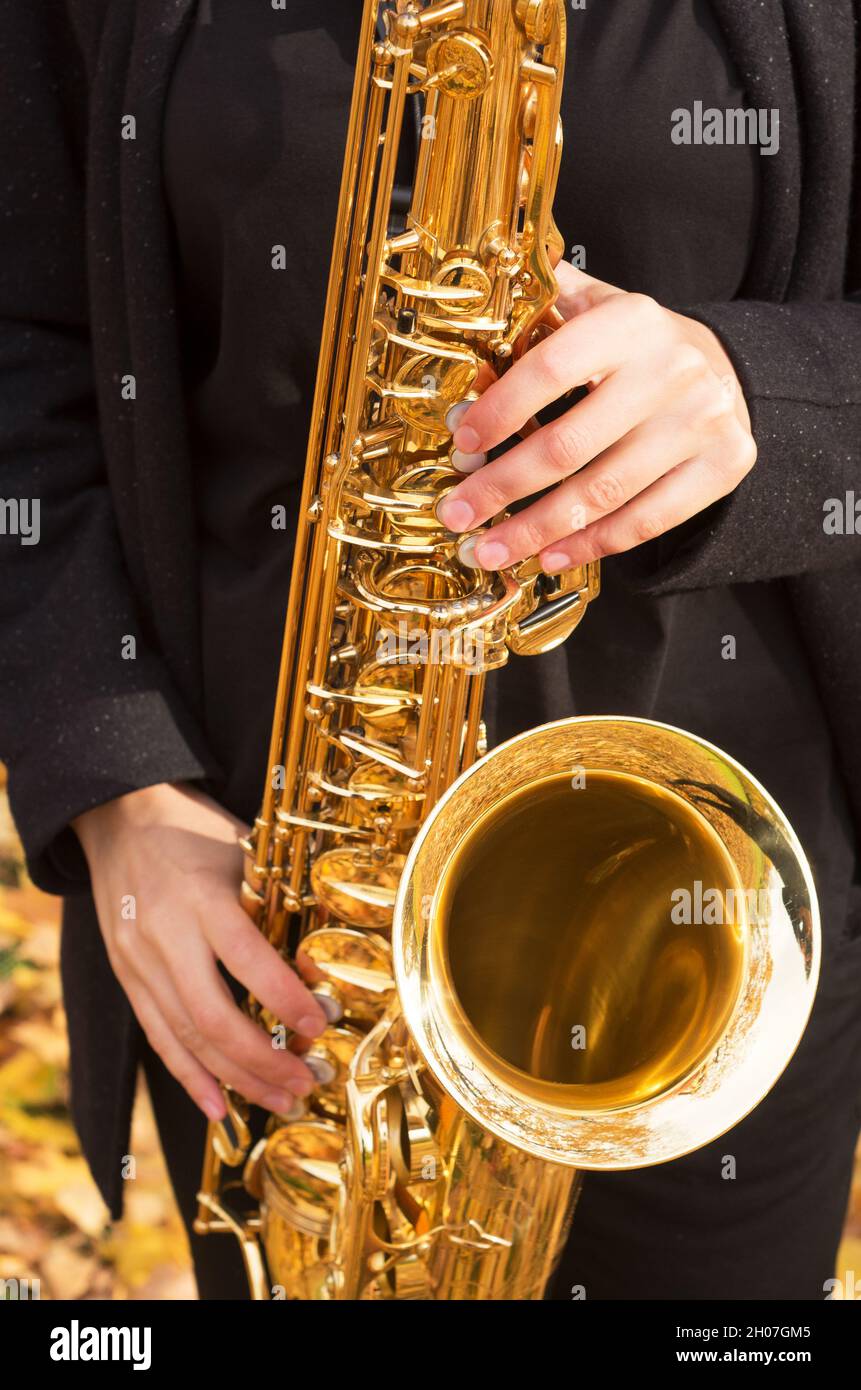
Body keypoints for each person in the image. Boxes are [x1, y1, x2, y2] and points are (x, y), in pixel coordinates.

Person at [1, 0, 859, 1301]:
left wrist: (769, 393)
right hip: (265, 915)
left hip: (715, 928)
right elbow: (21, 341)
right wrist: (120, 791)